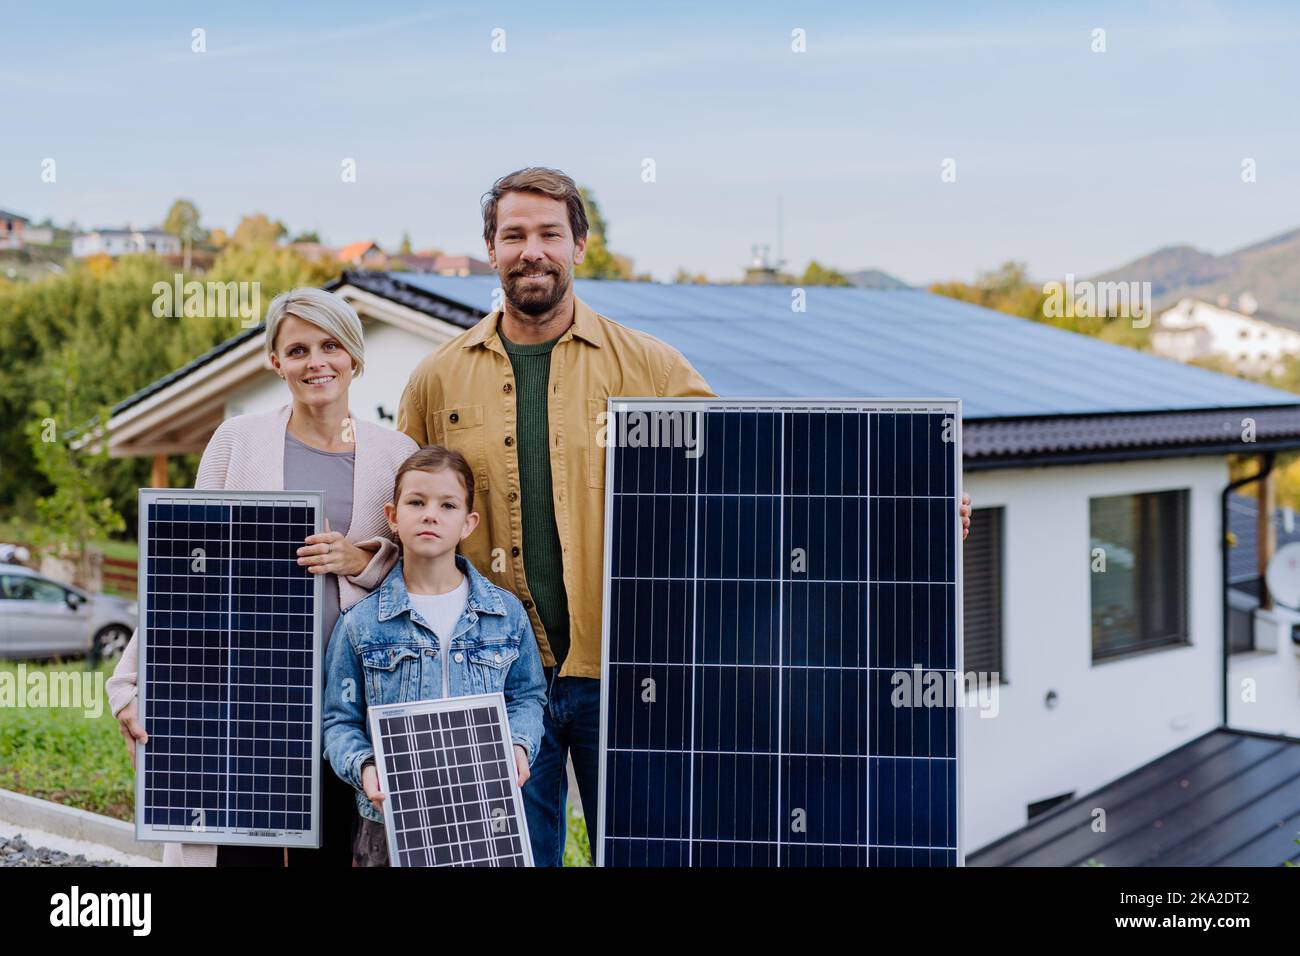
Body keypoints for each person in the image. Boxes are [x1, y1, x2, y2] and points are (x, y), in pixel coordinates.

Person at [397, 166, 975, 865]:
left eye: (550, 233)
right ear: (490, 251)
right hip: (487, 674)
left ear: (580, 245)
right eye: (513, 235)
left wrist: (909, 511)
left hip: (630, 672)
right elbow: (400, 505)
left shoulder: (653, 369)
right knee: (501, 860)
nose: (533, 251)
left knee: (651, 852)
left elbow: (748, 485)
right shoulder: (436, 378)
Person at [106, 287, 419, 867]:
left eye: (331, 346)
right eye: (297, 349)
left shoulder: (396, 454)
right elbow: (185, 571)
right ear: (275, 361)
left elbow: (426, 571)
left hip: (347, 698)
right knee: (237, 847)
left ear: (354, 357)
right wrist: (132, 683)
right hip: (245, 686)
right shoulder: (238, 439)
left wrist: (363, 561)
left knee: (330, 848)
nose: (316, 362)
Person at [321, 446, 546, 866]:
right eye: (416, 502)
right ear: (393, 516)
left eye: (448, 505)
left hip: (484, 810)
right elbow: (338, 720)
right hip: (387, 822)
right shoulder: (360, 624)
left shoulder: (506, 615)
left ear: (468, 523)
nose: (430, 515)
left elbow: (528, 698)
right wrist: (365, 767)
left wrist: (517, 746)